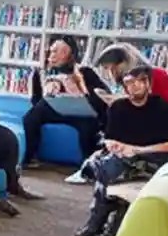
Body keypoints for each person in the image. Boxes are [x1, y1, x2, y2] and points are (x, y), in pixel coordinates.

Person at [74, 66, 168, 236]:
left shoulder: (160, 107)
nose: (136, 86)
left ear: (148, 84)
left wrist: (137, 150)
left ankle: (97, 221)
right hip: (122, 155)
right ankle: (111, 224)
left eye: (141, 81)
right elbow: (109, 139)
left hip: (151, 156)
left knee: (109, 170)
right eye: (130, 82)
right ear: (124, 86)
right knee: (110, 163)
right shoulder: (118, 107)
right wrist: (115, 145)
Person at [21, 35, 108, 167]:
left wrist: (79, 91)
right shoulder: (41, 73)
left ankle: (90, 167)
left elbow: (104, 96)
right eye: (52, 51)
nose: (53, 55)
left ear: (71, 55)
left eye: (59, 52)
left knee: (88, 127)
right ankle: (28, 159)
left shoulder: (85, 72)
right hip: (54, 111)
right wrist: (47, 95)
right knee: (31, 117)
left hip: (79, 114)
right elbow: (35, 99)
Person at [93, 43, 168, 104]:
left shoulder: (158, 76)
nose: (112, 73)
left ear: (126, 61)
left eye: (113, 68)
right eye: (107, 68)